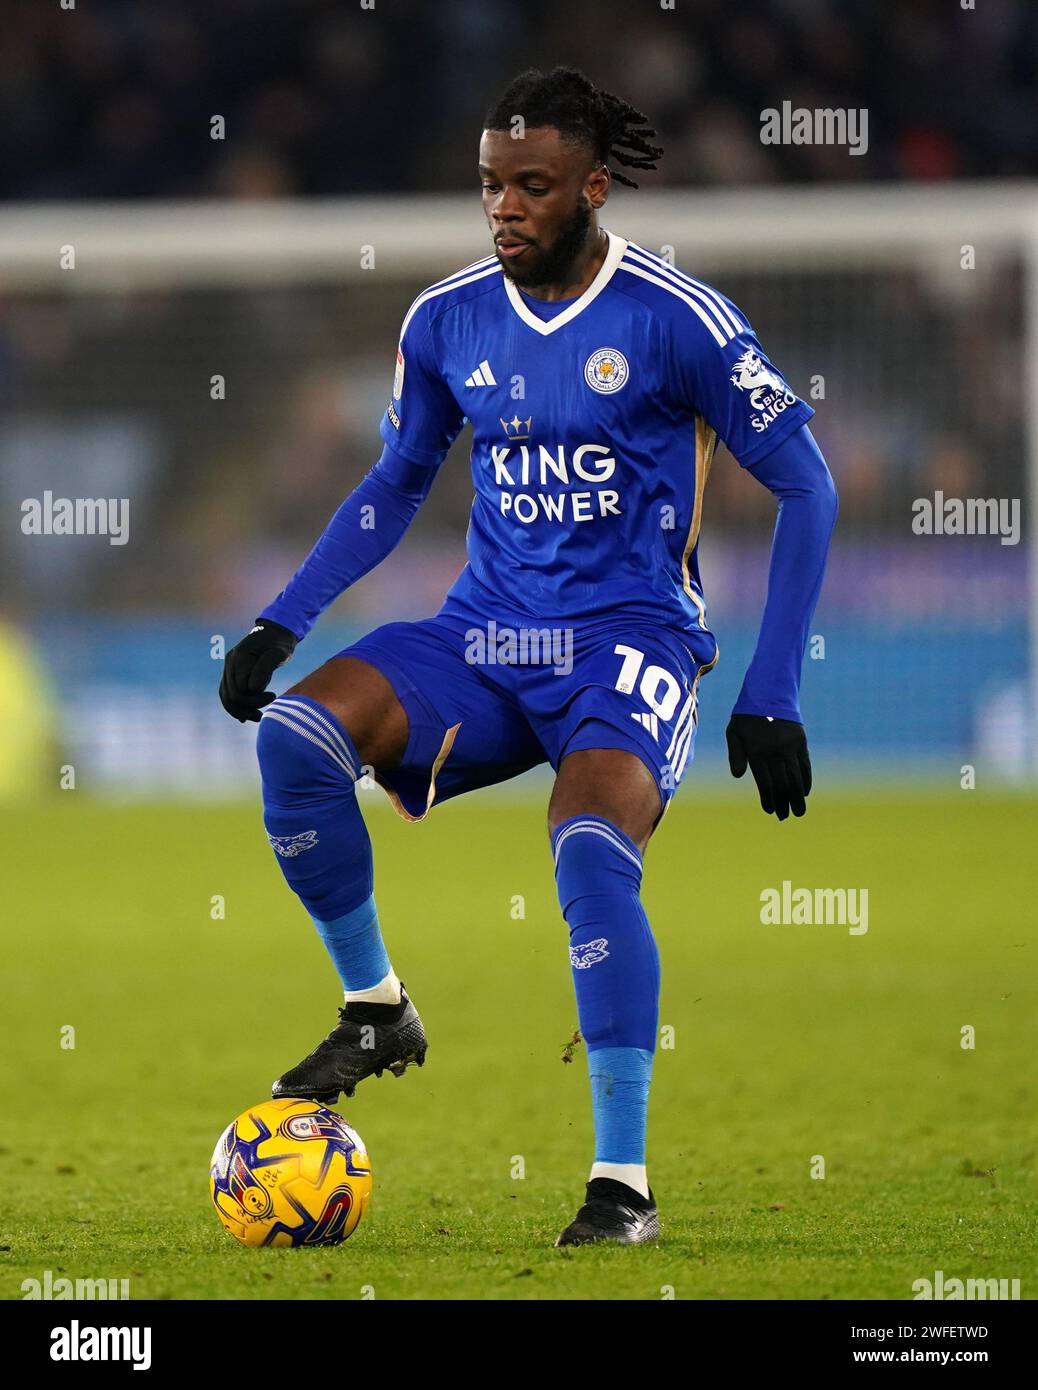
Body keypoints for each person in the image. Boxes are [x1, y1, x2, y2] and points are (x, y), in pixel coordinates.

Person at [219, 66, 838, 1247]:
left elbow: (808, 483)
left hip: (630, 641)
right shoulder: (445, 318)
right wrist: (281, 619)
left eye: (532, 187)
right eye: (491, 186)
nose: (504, 208)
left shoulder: (677, 319)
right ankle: (376, 1006)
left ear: (594, 188)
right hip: (486, 636)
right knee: (300, 736)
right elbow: (398, 477)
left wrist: (773, 689)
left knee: (590, 849)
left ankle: (621, 1186)